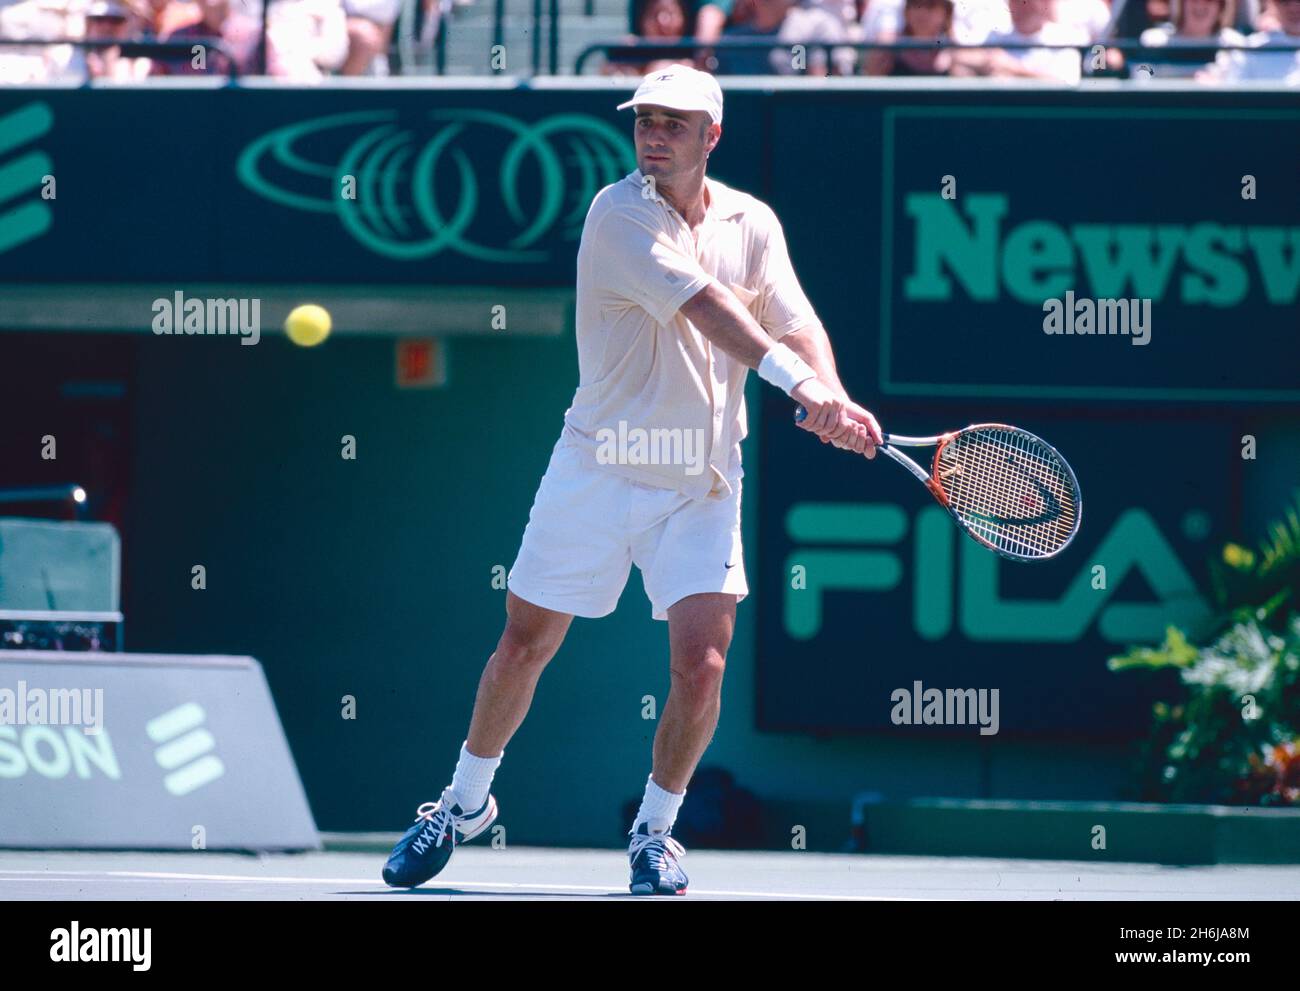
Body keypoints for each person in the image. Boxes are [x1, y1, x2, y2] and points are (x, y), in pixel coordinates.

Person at [381, 64, 881, 897]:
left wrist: (832, 390)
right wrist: (804, 389)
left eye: (675, 123)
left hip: (703, 483)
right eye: (645, 118)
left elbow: (794, 318)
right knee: (524, 645)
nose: (654, 132)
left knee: (704, 665)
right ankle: (461, 804)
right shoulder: (617, 215)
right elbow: (714, 311)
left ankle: (655, 832)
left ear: (710, 137)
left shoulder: (754, 222)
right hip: (597, 471)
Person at [980, 0, 1088, 81]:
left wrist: (1015, 69)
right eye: (1015, 2)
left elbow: (1065, 84)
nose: (1021, 7)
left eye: (1028, 2)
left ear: (1044, 3)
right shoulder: (995, 36)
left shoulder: (1066, 37)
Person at [1137, 0, 1246, 77]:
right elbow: (1141, 74)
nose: (1200, 4)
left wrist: (1219, 86)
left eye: (1209, 0)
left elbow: (1241, 84)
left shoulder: (1233, 44)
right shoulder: (1154, 40)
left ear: (1221, 7)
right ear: (1181, 4)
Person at [1199, 0, 1300, 80]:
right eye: (1283, 0)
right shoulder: (1249, 51)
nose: (1293, 6)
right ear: (1271, 3)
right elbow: (1235, 98)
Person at [863, 0, 956, 74]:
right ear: (906, 11)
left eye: (930, 5)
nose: (922, 12)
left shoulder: (956, 56)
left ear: (946, 12)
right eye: (915, 4)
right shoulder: (888, 54)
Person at [604, 0, 695, 75]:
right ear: (642, 20)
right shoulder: (627, 55)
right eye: (655, 13)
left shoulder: (696, 62)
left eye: (670, 13)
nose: (662, 22)